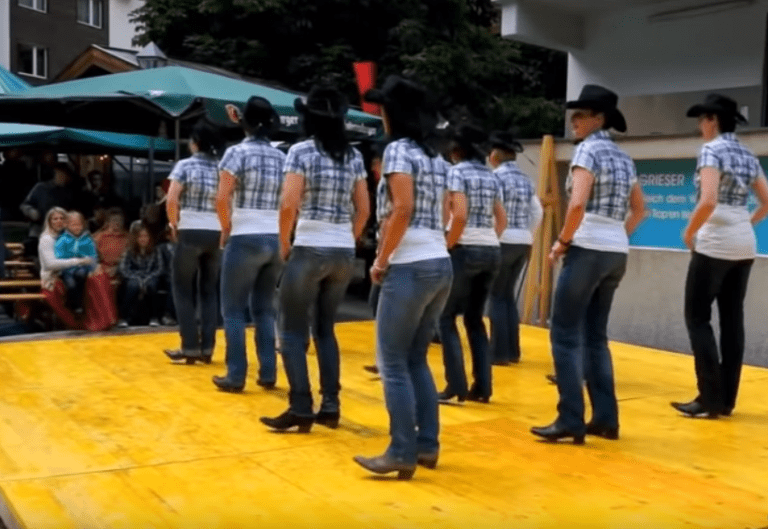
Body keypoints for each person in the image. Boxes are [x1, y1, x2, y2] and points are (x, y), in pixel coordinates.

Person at [530, 85, 646, 444]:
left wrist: (561, 243)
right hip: (615, 251)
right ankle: (606, 419)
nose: (574, 121)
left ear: (598, 118)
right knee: (596, 336)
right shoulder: (624, 158)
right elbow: (641, 208)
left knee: (564, 333)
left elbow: (577, 204)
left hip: (587, 246)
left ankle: (570, 419)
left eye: (580, 115)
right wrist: (617, 236)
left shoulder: (588, 152)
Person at [352, 75, 452, 480]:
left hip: (409, 263)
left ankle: (400, 449)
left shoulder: (397, 152)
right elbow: (445, 212)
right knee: (416, 359)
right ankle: (427, 444)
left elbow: (402, 208)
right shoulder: (437, 157)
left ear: (393, 113)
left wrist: (381, 259)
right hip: (439, 260)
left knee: (391, 362)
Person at [260, 86, 369, 433]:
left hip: (309, 245)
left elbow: (289, 203)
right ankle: (331, 406)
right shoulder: (353, 156)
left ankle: (301, 406)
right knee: (326, 330)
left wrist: (284, 240)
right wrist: (346, 240)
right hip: (342, 251)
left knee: (291, 329)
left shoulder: (301, 151)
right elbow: (364, 209)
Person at [671, 94, 768, 419]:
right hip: (744, 243)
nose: (700, 127)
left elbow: (708, 200)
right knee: (731, 319)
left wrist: (689, 232)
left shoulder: (711, 151)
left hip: (715, 241)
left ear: (712, 120)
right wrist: (745, 223)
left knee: (697, 317)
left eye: (702, 120)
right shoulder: (747, 153)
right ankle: (726, 399)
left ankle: (708, 397)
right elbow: (767, 202)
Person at [211, 96, 286, 393]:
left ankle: (236, 374)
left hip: (245, 233)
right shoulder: (283, 157)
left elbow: (222, 197)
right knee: (265, 309)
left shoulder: (235, 154)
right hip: (274, 235)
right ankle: (268, 372)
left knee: (233, 310)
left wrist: (227, 228)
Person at [438, 120, 506, 404]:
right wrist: (489, 238)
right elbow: (501, 218)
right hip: (491, 248)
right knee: (475, 319)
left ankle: (456, 385)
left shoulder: (456, 173)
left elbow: (460, 215)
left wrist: (448, 244)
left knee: (446, 316)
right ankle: (483, 387)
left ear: (456, 149)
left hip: (464, 248)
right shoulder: (492, 176)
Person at [163, 120, 225, 364]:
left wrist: (173, 224)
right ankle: (207, 347)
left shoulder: (184, 166)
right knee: (209, 290)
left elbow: (171, 199)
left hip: (190, 229)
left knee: (182, 288)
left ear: (195, 142)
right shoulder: (222, 168)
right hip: (215, 231)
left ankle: (189, 345)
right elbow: (227, 201)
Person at [487, 131, 543, 365]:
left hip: (502, 239)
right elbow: (537, 211)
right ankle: (513, 350)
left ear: (495, 156)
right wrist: (528, 236)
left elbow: (492, 212)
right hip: (522, 241)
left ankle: (498, 353)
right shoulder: (526, 179)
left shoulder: (494, 179)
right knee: (508, 295)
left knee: (496, 295)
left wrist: (494, 235)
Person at [20, 163, 80, 254]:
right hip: (39, 231)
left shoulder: (69, 193)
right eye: (60, 174)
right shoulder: (40, 188)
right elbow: (24, 205)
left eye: (65, 175)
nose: (62, 177)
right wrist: (31, 211)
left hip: (60, 234)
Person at [117, 221, 163, 328]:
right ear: (135, 238)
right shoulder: (129, 251)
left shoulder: (156, 251)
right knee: (133, 286)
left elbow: (160, 269)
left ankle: (154, 317)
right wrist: (138, 279)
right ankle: (125, 318)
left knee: (152, 285)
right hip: (134, 277)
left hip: (151, 276)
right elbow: (123, 269)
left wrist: (147, 279)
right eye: (140, 236)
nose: (143, 239)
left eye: (145, 236)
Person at [54, 211, 98, 312]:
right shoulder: (62, 239)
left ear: (83, 225)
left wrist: (92, 266)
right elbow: (59, 256)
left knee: (81, 275)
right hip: (67, 269)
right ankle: (73, 305)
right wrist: (77, 260)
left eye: (79, 225)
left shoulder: (87, 239)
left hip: (83, 268)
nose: (76, 227)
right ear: (67, 225)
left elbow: (93, 255)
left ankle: (80, 304)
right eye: (73, 225)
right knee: (71, 284)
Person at [93, 208, 128, 278]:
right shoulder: (99, 237)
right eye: (114, 220)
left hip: (122, 270)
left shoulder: (128, 238)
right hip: (101, 270)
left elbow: (129, 259)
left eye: (120, 220)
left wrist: (117, 268)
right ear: (108, 222)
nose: (117, 222)